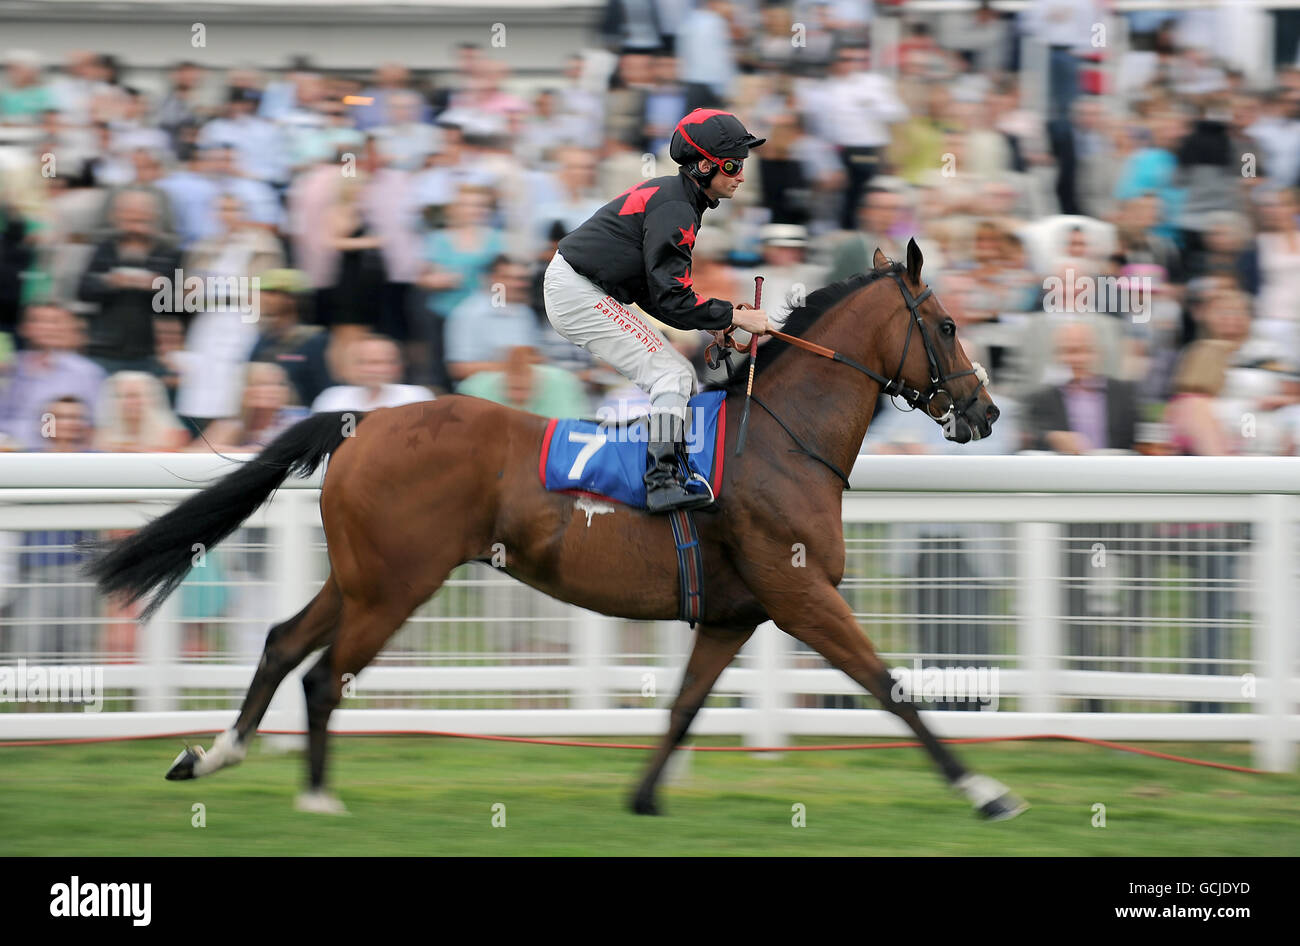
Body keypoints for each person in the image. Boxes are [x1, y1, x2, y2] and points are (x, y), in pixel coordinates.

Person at [543, 108, 769, 513]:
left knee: (678, 373)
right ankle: (659, 480)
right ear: (703, 166)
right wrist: (733, 316)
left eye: (742, 164)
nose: (740, 175)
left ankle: (669, 469)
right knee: (670, 372)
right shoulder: (677, 209)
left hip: (583, 287)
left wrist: (715, 320)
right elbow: (668, 298)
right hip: (577, 290)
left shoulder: (680, 200)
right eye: (733, 165)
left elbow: (658, 295)